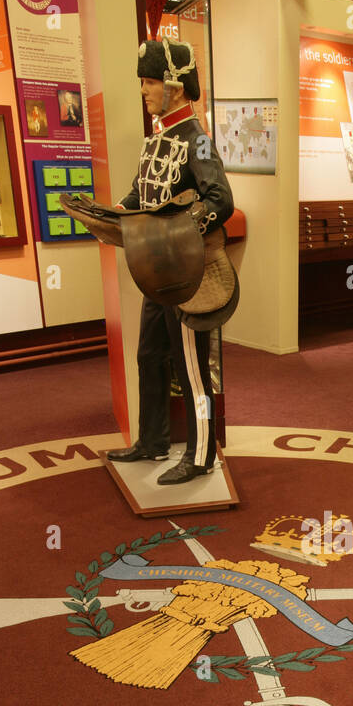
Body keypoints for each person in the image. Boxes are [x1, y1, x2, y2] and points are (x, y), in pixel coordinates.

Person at [108, 37, 234, 485]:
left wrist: (180, 232)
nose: (143, 91)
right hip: (154, 275)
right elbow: (142, 193)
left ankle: (200, 453)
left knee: (192, 369)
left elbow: (221, 200)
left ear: (175, 87)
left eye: (148, 82)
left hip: (183, 277)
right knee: (149, 354)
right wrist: (116, 211)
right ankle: (153, 440)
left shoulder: (197, 142)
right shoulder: (157, 139)